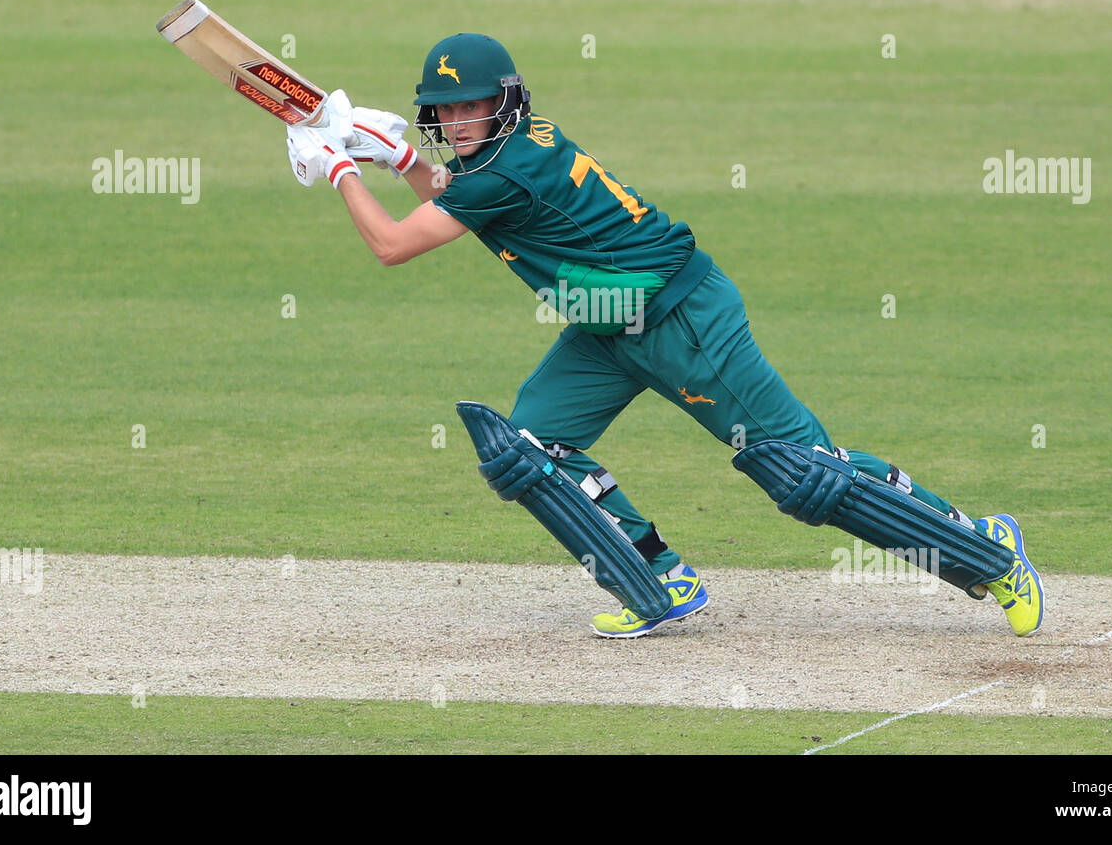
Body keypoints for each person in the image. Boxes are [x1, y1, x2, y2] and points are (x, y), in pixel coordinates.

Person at [284, 33, 1044, 639]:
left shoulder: (498, 175)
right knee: (530, 450)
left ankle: (986, 550)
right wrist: (402, 158)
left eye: (471, 107)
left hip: (682, 317)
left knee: (801, 473)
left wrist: (341, 167)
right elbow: (461, 200)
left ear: (505, 103)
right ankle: (657, 577)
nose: (457, 123)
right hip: (610, 321)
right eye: (444, 111)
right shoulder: (511, 155)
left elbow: (394, 243)